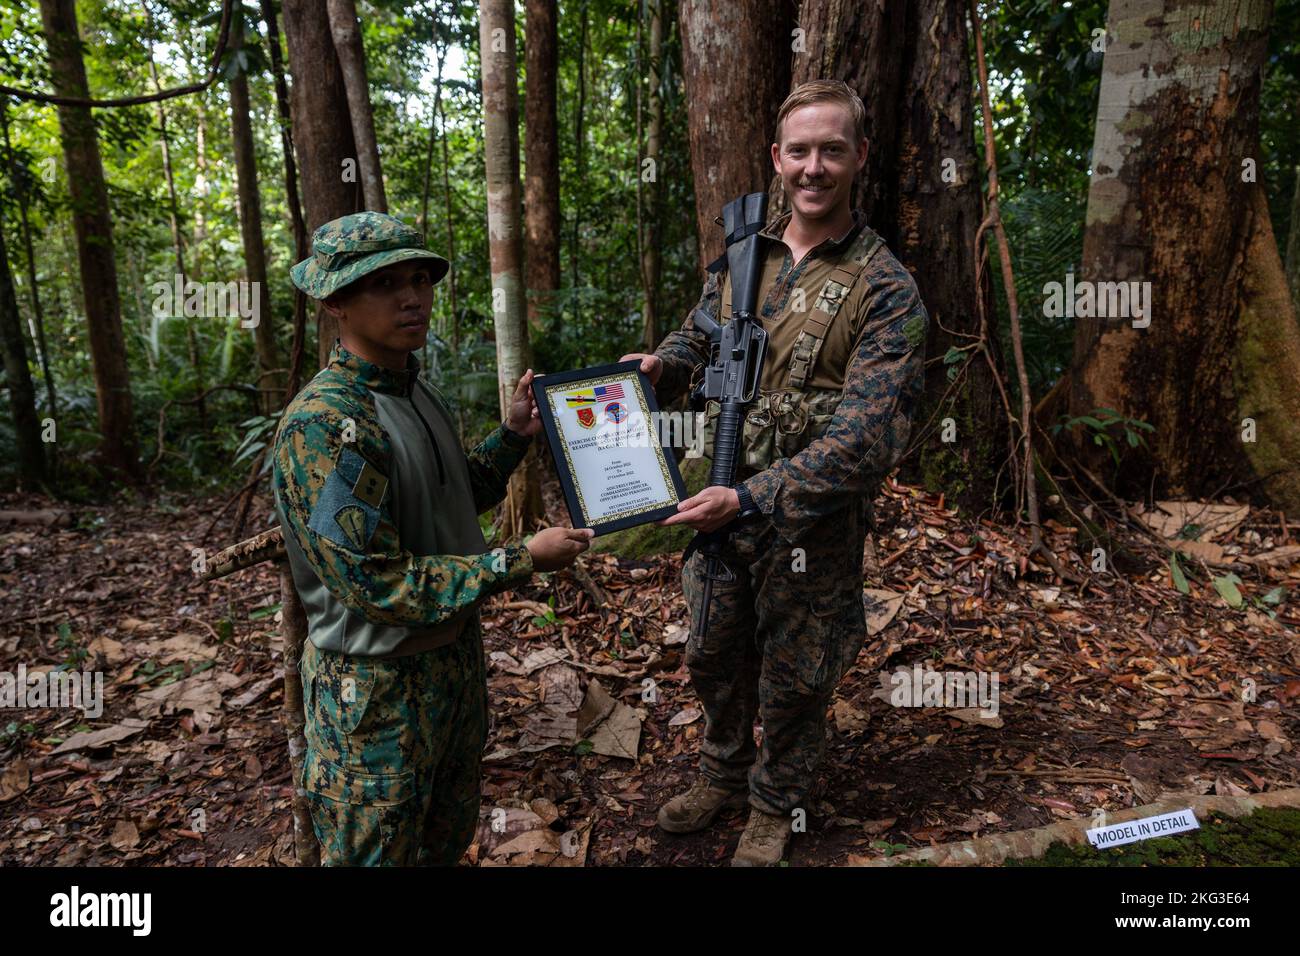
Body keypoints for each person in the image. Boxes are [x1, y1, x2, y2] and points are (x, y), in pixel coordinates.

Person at [620, 80, 929, 865]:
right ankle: (723, 771)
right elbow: (700, 338)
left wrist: (751, 497)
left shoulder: (885, 287)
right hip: (715, 499)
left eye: (832, 150)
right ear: (777, 158)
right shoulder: (740, 259)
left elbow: (866, 441)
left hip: (804, 523)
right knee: (709, 650)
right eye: (800, 151)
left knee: (796, 672)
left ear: (859, 157)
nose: (814, 167)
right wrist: (661, 365)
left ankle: (775, 802)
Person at [273, 211, 593, 865]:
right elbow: (376, 584)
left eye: (419, 278)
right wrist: (518, 561)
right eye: (384, 283)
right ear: (335, 300)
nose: (412, 296)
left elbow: (446, 501)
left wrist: (510, 439)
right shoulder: (331, 424)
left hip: (451, 673)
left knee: (444, 844)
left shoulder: (416, 392)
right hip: (376, 699)